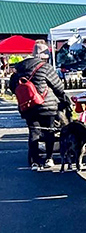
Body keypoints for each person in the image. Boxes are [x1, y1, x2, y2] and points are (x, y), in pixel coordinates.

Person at [9, 41, 69, 170]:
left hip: (28, 106)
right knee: (49, 132)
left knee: (34, 132)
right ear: (44, 55)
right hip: (47, 105)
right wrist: (63, 99)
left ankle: (34, 161)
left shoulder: (19, 68)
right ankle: (48, 158)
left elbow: (13, 86)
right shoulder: (45, 67)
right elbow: (58, 87)